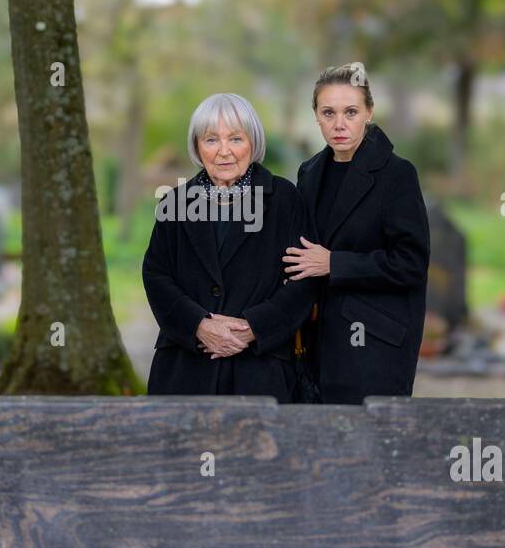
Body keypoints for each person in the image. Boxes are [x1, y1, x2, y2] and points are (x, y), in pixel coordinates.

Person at [143, 93, 318, 402]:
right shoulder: (175, 202)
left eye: (235, 138)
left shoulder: (284, 199)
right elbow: (157, 275)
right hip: (185, 369)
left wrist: (254, 327)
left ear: (253, 142)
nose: (224, 152)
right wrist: (198, 325)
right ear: (197, 145)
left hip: (259, 370)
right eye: (211, 140)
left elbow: (305, 279)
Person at [284, 64, 431, 403]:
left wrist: (335, 263)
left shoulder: (397, 175)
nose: (339, 124)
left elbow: (410, 263)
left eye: (350, 112)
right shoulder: (309, 173)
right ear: (316, 116)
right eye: (328, 112)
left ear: (369, 112)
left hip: (374, 345)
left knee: (369, 447)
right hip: (315, 339)